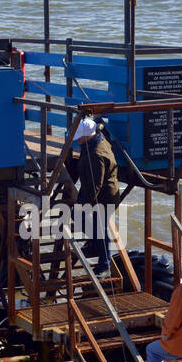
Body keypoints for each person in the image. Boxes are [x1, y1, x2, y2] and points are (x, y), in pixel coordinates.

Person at [64, 118, 119, 275]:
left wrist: (84, 205)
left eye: (80, 137)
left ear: (87, 136)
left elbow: (95, 185)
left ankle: (104, 263)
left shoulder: (95, 154)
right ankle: (97, 244)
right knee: (97, 227)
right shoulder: (97, 140)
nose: (78, 140)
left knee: (94, 225)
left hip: (104, 197)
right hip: (106, 193)